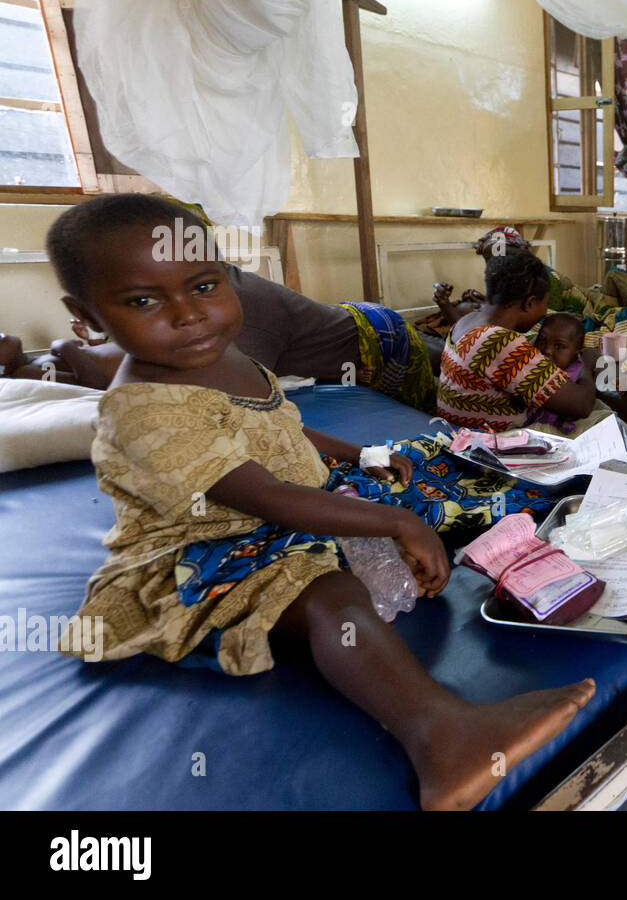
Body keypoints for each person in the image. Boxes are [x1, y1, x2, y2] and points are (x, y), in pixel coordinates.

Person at [46, 195, 595, 811]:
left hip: (285, 501)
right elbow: (268, 497)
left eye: (203, 285)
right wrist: (396, 521)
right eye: (143, 300)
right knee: (324, 592)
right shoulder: (144, 411)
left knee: (435, 466)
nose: (188, 315)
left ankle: (554, 548)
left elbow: (281, 428)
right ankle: (445, 737)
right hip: (206, 549)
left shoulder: (226, 356)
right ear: (86, 316)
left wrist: (362, 457)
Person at [438, 246, 596, 432]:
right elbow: (581, 405)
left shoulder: (466, 321)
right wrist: (587, 362)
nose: (545, 312)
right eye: (545, 304)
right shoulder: (501, 342)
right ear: (529, 303)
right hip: (486, 448)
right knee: (602, 416)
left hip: (456, 433)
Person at [527, 312, 587, 433]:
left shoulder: (573, 374)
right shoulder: (533, 363)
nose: (547, 350)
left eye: (559, 346)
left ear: (577, 353)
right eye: (542, 341)